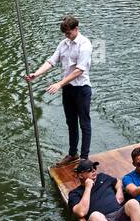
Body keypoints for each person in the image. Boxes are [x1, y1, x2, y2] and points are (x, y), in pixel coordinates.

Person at [27, 15, 94, 165]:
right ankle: (73, 154)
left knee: (84, 123)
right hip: (68, 89)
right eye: (65, 34)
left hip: (82, 89)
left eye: (69, 33)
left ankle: (84, 158)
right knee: (71, 122)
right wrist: (36, 74)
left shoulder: (85, 44)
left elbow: (79, 70)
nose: (67, 36)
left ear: (76, 29)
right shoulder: (64, 43)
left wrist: (59, 84)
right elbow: (51, 61)